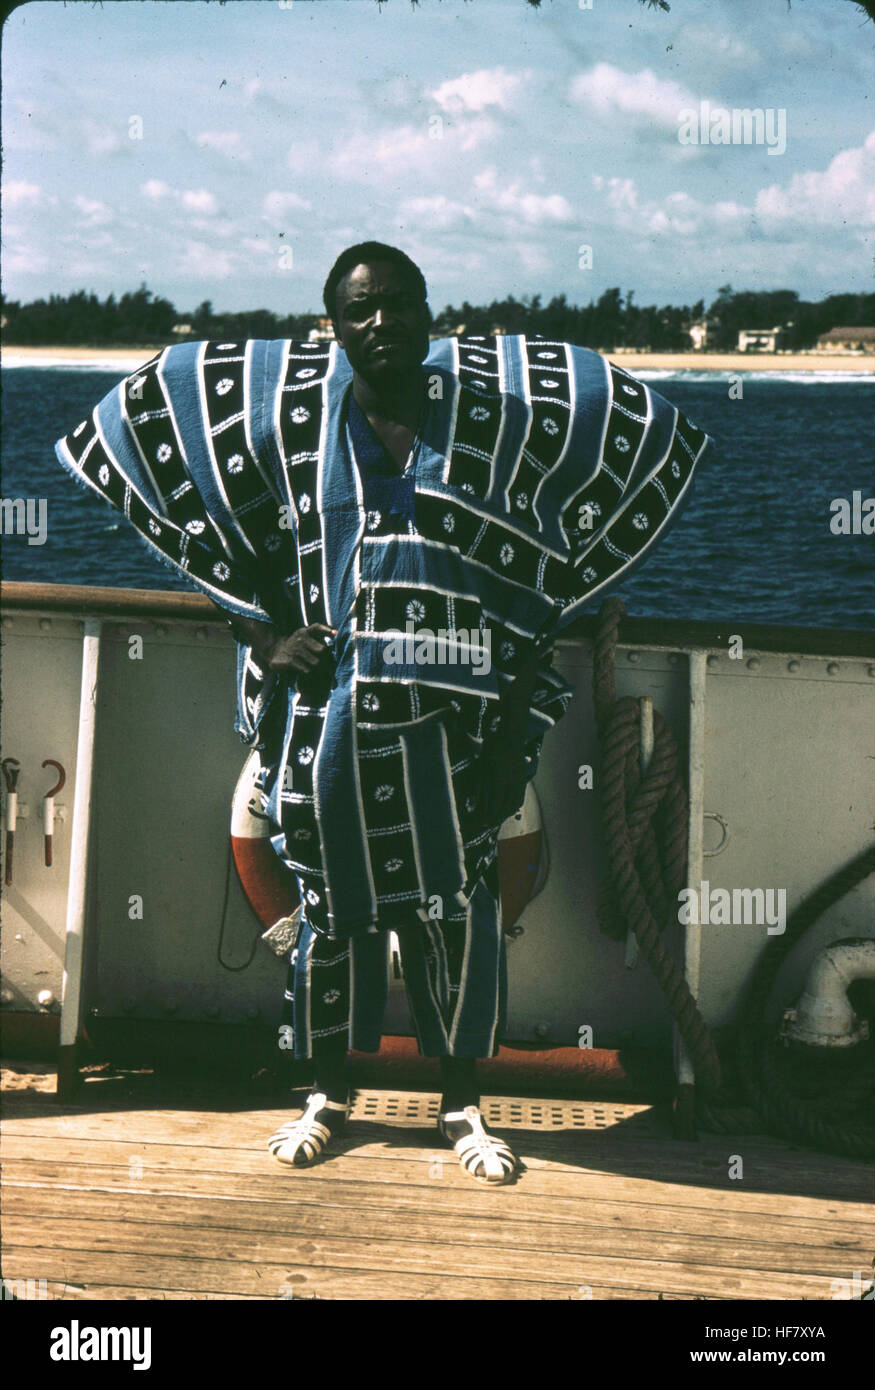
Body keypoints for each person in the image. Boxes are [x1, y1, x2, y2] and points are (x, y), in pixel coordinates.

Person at [55, 241, 711, 1184]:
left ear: (428, 313)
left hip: (457, 731)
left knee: (456, 920)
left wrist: (511, 740)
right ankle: (325, 1096)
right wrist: (266, 635)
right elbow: (203, 507)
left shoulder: (484, 436)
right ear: (334, 325)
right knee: (330, 918)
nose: (380, 323)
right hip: (327, 727)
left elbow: (525, 591)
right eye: (358, 309)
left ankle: (462, 1107)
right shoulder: (294, 432)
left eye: (397, 305)